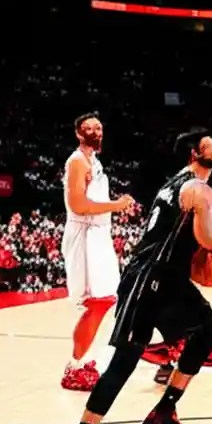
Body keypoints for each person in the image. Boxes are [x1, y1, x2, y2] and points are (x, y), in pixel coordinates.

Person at [46, 130, 212, 424]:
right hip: (148, 278)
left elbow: (190, 243)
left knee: (208, 330)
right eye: (210, 144)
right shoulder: (199, 188)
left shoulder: (174, 185)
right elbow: (208, 238)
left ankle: (163, 413)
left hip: (167, 278)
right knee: (124, 363)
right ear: (196, 153)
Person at [59, 112, 135, 391]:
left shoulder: (95, 161)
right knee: (96, 302)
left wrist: (114, 210)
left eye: (99, 127)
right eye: (89, 128)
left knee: (105, 300)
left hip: (98, 233)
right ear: (79, 133)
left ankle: (83, 360)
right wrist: (115, 205)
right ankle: (74, 367)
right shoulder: (77, 161)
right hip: (85, 233)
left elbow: (95, 201)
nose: (95, 131)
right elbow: (78, 204)